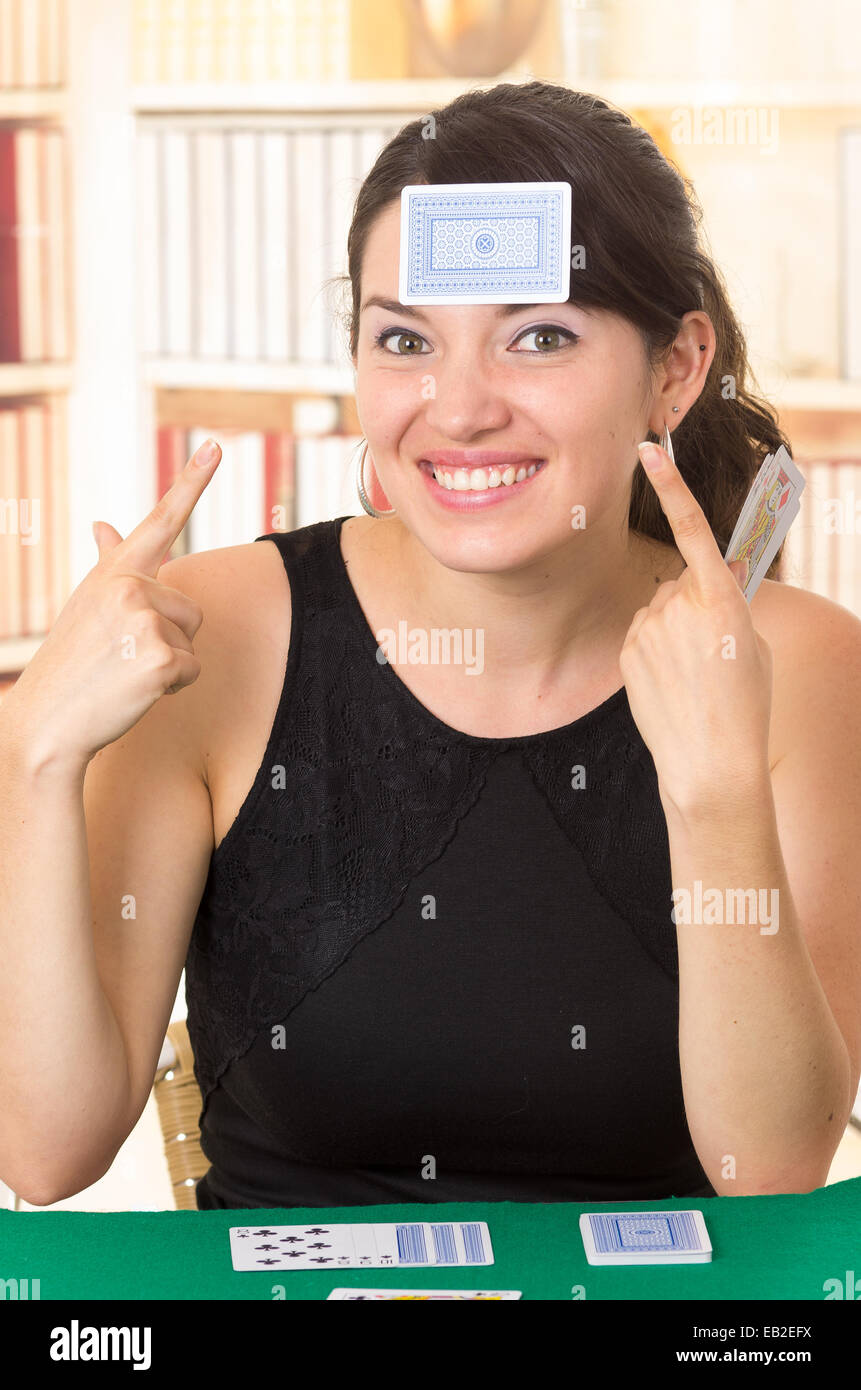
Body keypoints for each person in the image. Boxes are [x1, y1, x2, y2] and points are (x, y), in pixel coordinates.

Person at [1, 82, 858, 1211]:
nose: (456, 410)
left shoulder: (799, 661)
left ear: (676, 369)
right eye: (405, 339)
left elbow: (776, 1169)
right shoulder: (211, 635)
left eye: (538, 338)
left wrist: (711, 790)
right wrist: (30, 752)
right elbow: (44, 1151)